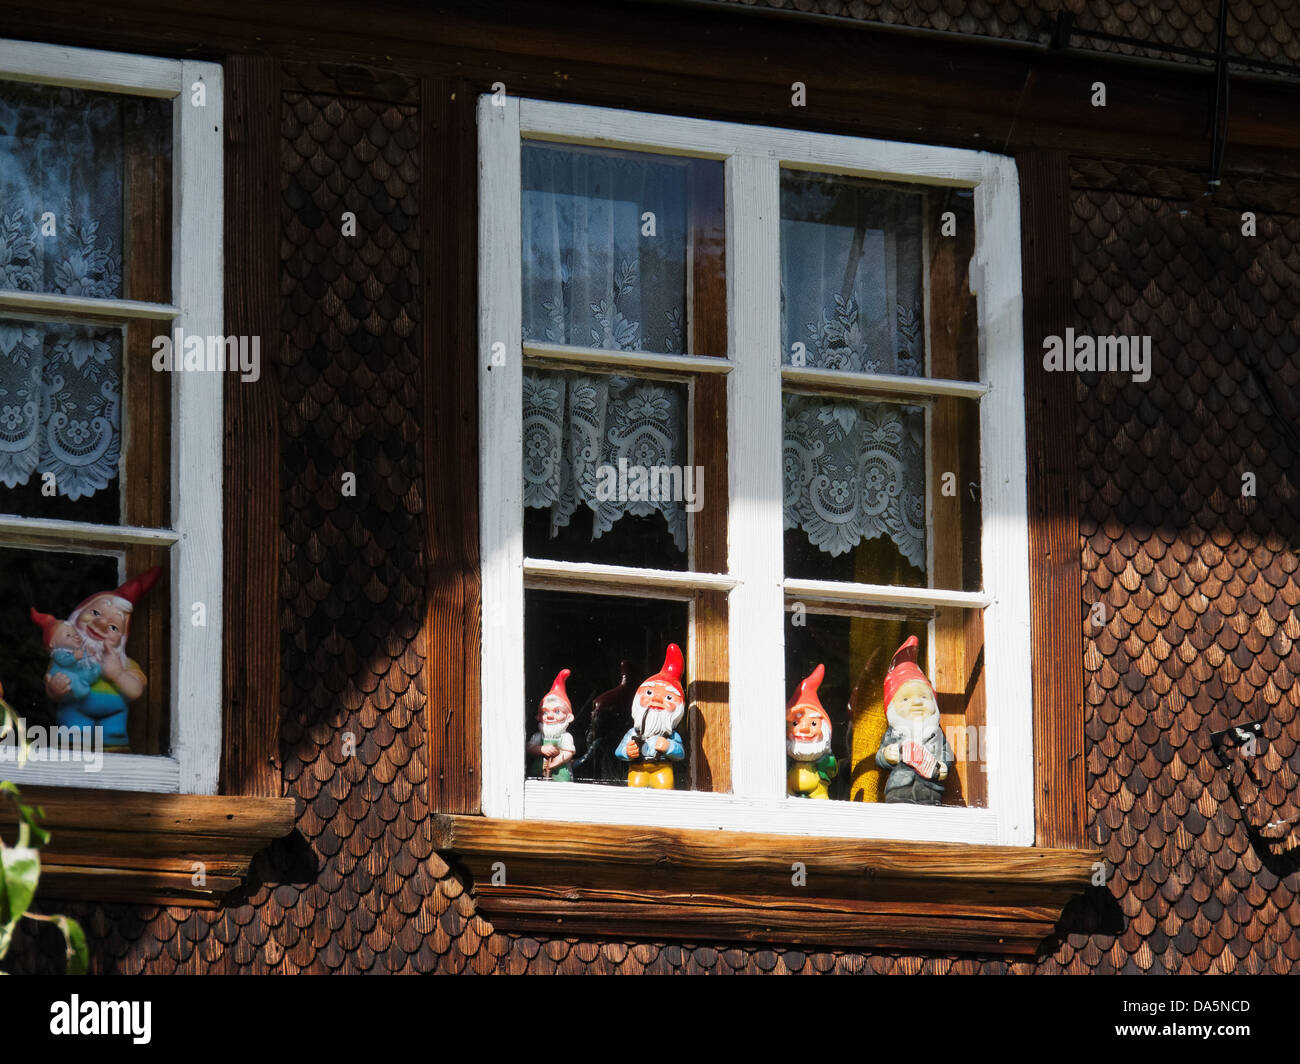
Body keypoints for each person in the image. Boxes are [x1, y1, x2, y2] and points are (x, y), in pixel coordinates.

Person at [32, 567, 161, 753]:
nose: (100, 624)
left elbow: (135, 691)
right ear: (76, 616)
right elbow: (51, 687)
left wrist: (118, 675)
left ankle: (114, 750)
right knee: (73, 740)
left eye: (114, 627)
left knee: (114, 741)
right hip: (75, 712)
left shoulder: (124, 664)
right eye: (95, 613)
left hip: (113, 716)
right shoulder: (66, 659)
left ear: (122, 638)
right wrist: (56, 689)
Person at [874, 636, 952, 805]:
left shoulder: (935, 733)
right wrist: (887, 755)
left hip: (930, 789)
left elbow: (946, 753)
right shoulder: (894, 734)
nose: (917, 702)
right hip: (900, 787)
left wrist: (944, 766)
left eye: (924, 697)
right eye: (905, 699)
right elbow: (880, 756)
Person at [616, 644, 686, 789]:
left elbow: (681, 753)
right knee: (634, 794)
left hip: (661, 768)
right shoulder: (633, 732)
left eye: (668, 697)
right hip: (638, 769)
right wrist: (627, 751)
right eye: (649, 693)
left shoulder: (671, 735)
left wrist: (669, 747)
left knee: (664, 791)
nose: (657, 700)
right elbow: (618, 751)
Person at [786, 663, 838, 799]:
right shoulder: (785, 760)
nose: (804, 729)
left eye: (813, 723)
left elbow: (832, 771)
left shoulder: (824, 759)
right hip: (788, 791)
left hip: (818, 792)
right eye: (795, 723)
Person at [526, 668, 576, 781]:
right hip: (538, 772)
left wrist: (555, 762)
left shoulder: (565, 737)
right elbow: (529, 747)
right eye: (545, 712)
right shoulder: (538, 736)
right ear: (538, 716)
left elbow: (569, 752)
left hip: (561, 774)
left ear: (569, 717)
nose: (549, 716)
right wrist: (541, 749)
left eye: (557, 711)